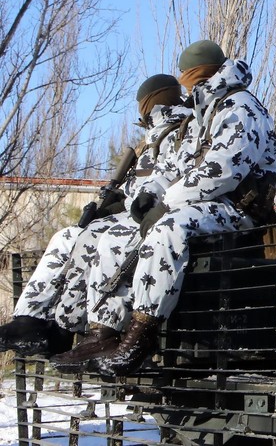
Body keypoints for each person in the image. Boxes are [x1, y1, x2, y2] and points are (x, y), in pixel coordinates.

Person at [90, 41, 276, 376]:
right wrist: (150, 196)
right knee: (119, 235)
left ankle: (143, 334)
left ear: (202, 74)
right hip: (206, 206)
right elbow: (179, 166)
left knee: (168, 229)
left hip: (239, 212)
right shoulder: (207, 110)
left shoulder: (241, 108)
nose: (186, 84)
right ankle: (104, 330)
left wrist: (167, 203)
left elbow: (223, 170)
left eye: (189, 77)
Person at [0, 75, 188, 359]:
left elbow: (172, 181)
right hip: (132, 213)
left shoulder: (184, 129)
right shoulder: (147, 141)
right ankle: (31, 319)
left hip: (158, 217)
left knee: (98, 238)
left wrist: (137, 204)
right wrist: (108, 206)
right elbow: (133, 189)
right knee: (65, 238)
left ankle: (70, 328)